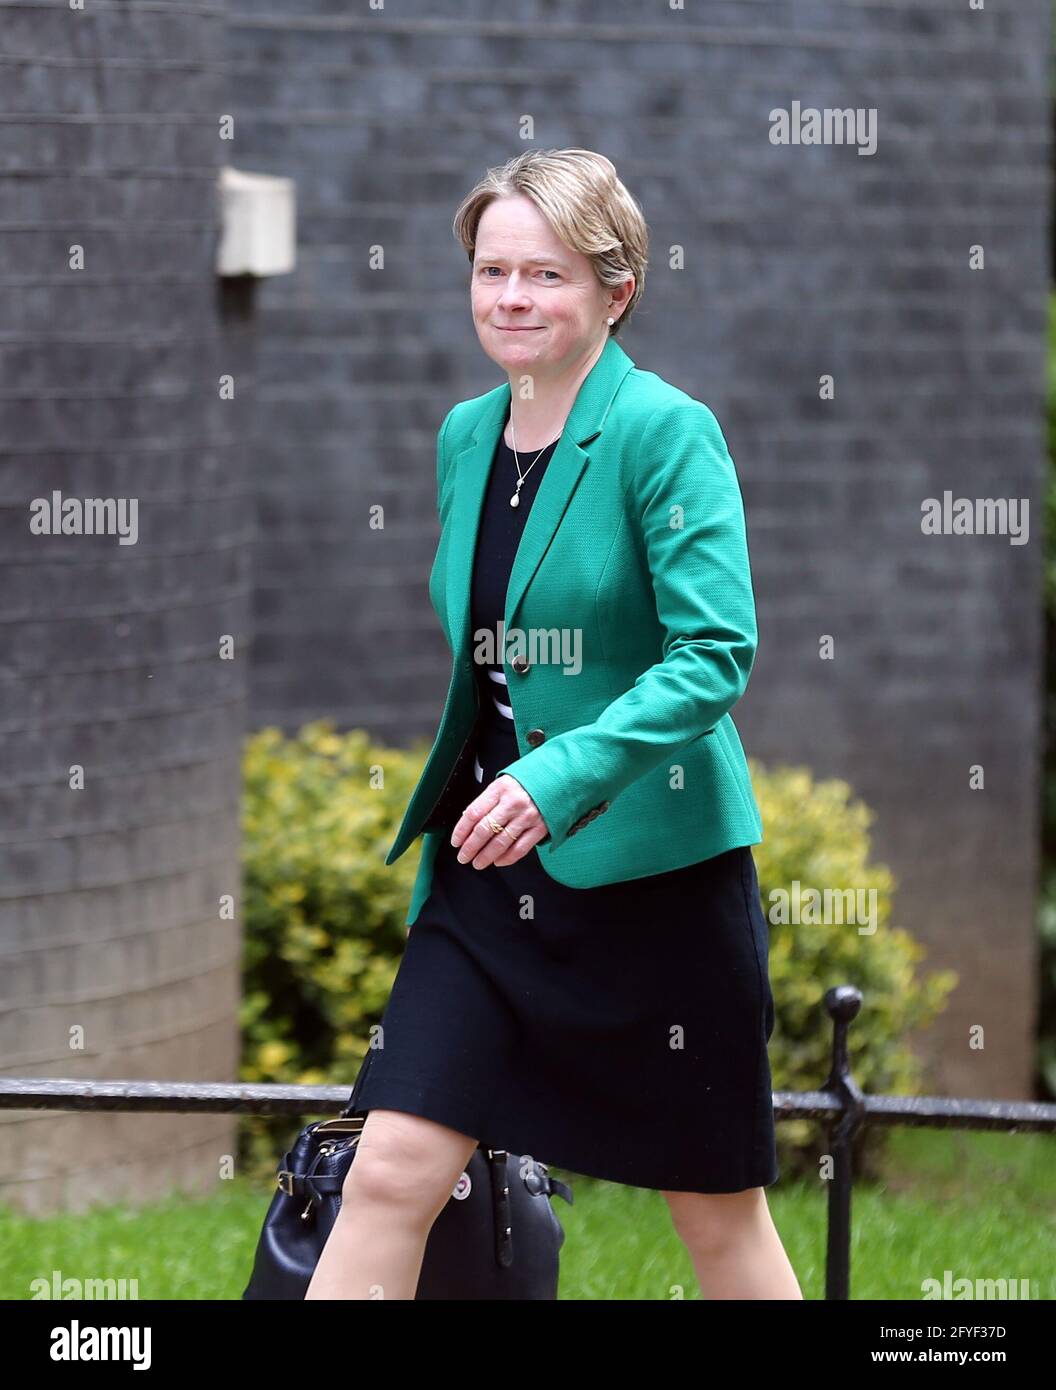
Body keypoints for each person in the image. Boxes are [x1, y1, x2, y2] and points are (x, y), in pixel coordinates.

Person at [305, 148, 801, 1300]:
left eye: (547, 275)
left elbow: (715, 652)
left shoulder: (664, 431)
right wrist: (505, 783)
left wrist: (560, 777)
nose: (513, 299)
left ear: (615, 292)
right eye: (492, 272)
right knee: (388, 1172)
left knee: (717, 1218)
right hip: (486, 879)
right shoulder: (466, 436)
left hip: (654, 877)